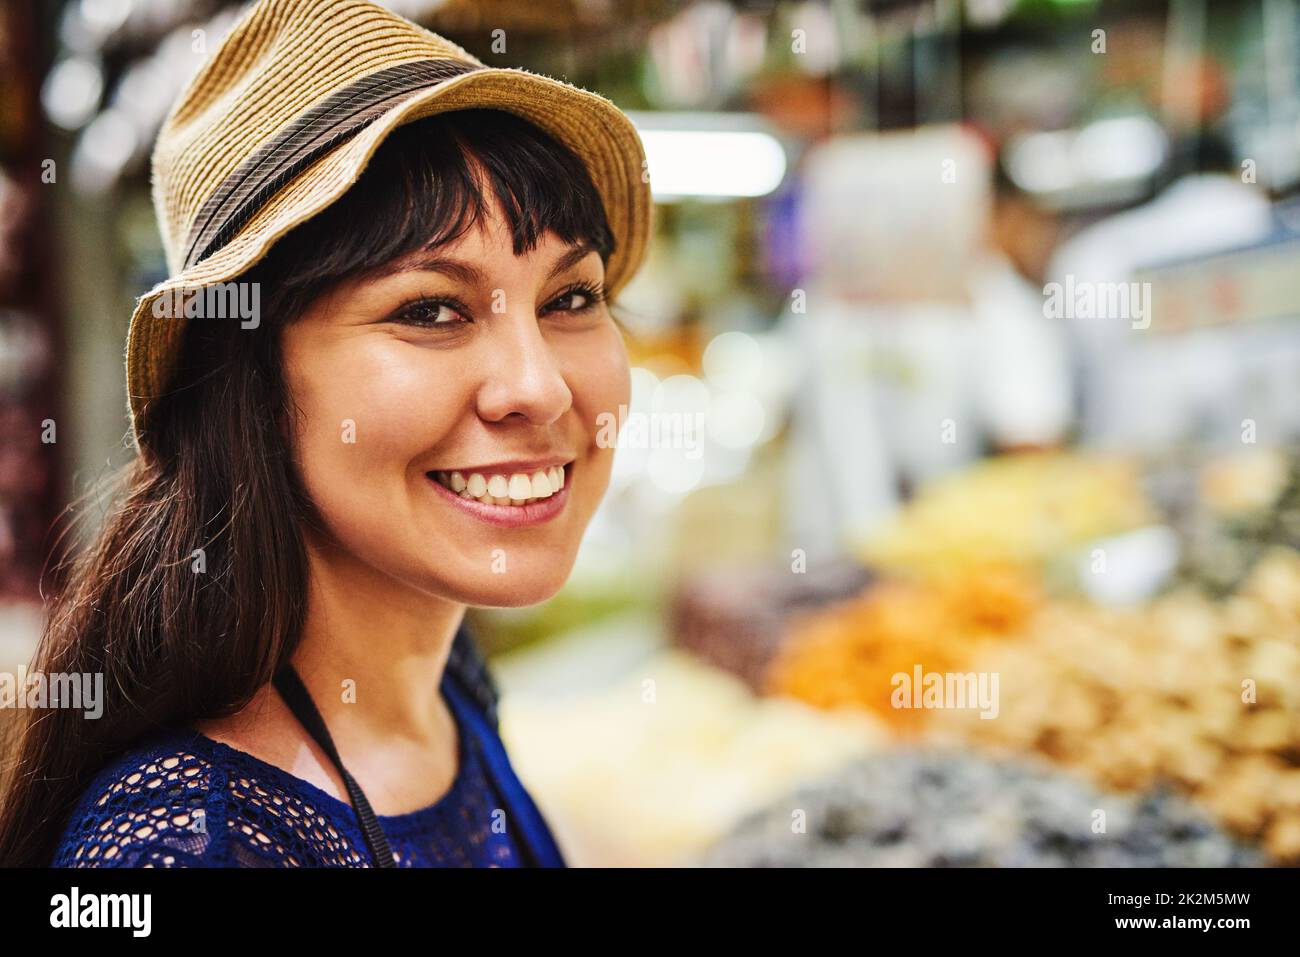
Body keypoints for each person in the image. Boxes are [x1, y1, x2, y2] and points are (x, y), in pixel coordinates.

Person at [0, 0, 652, 867]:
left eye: (570, 297)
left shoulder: (445, 683)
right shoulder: (193, 844)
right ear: (252, 383)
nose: (536, 387)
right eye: (429, 309)